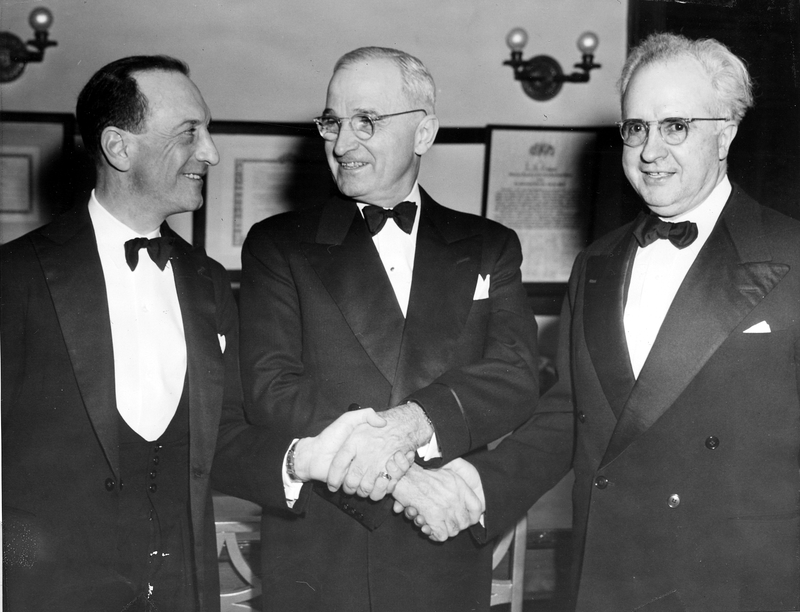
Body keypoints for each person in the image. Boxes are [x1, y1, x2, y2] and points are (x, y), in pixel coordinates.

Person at [400, 32, 800, 612]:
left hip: (742, 582)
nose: (649, 150)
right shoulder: (597, 263)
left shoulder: (792, 254)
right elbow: (571, 414)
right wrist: (474, 485)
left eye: (676, 126)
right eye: (636, 127)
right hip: (610, 577)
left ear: (726, 133)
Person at [210, 46, 539, 612]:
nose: (341, 143)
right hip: (324, 547)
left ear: (424, 131)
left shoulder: (490, 245)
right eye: (333, 122)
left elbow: (514, 376)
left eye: (366, 121)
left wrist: (412, 426)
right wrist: (406, 481)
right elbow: (272, 388)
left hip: (443, 550)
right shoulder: (278, 244)